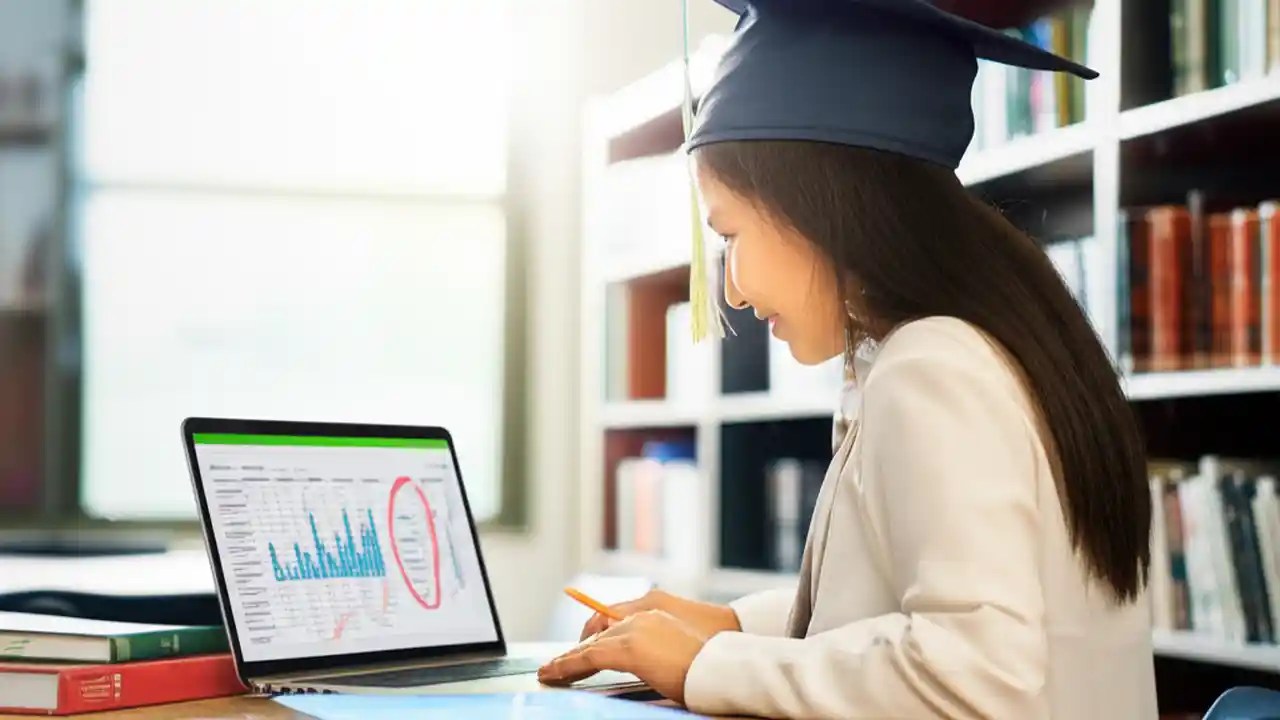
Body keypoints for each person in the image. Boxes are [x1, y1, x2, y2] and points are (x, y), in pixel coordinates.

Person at [539, 1, 1158, 717]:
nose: (732, 289)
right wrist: (734, 625)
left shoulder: (933, 365)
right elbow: (912, 604)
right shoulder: (996, 342)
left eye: (731, 234)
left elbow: (976, 674)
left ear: (814, 205)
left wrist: (712, 665)